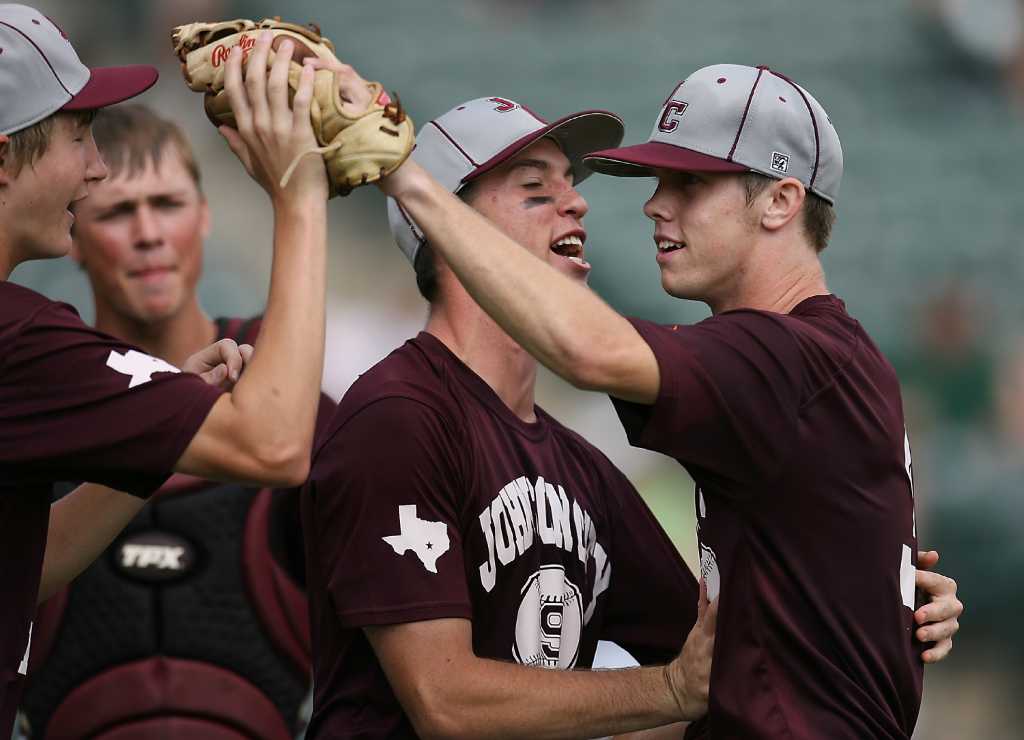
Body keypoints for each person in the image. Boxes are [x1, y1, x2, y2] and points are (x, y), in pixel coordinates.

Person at [303, 93, 962, 739]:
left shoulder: (762, 370)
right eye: (536, 190)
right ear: (446, 228)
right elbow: (444, 702)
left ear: (783, 202)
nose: (585, 202)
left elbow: (711, 677)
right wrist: (866, 588)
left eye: (691, 185)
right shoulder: (398, 418)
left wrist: (868, 594)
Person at [0, 9, 343, 732]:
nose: (94, 167)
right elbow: (275, 446)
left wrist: (160, 418)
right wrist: (301, 195)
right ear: (3, 158)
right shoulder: (21, 338)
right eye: (79, 134)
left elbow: (30, 566)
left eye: (167, 203)